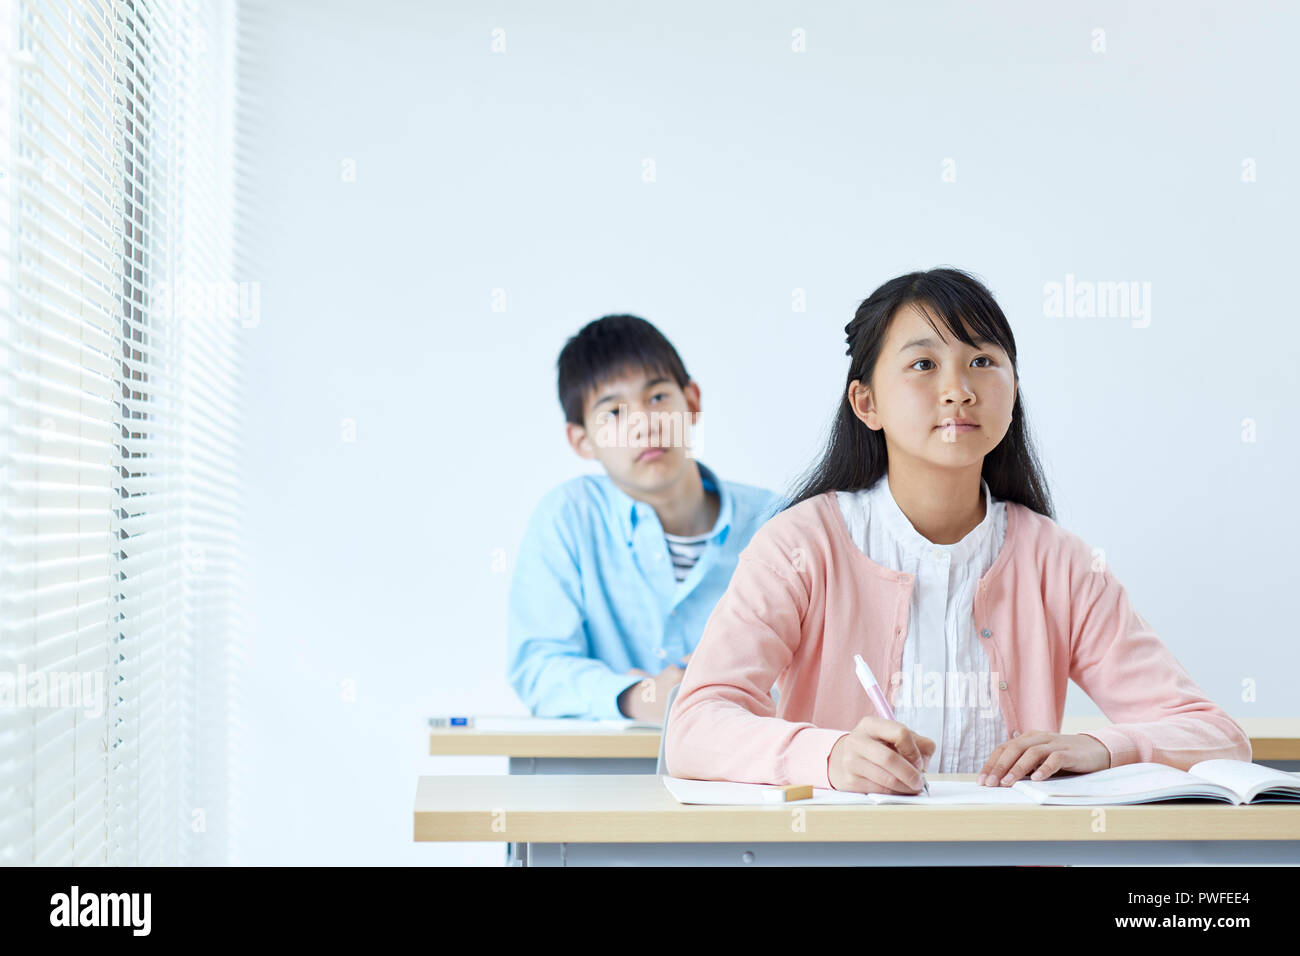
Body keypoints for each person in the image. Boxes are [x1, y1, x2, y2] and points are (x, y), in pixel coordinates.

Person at [665, 268, 1250, 793]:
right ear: (866, 403)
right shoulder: (800, 546)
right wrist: (828, 755)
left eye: (982, 361)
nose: (959, 388)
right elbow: (693, 726)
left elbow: (1217, 735)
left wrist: (1101, 747)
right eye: (923, 364)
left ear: (1013, 391)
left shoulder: (1060, 562)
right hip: (843, 860)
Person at [507, 314, 782, 722]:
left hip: (749, 774)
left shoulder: (774, 521)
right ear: (582, 440)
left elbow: (822, 660)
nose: (644, 425)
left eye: (657, 399)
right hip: (603, 779)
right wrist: (637, 697)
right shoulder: (567, 517)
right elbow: (538, 666)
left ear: (691, 403)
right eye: (614, 412)